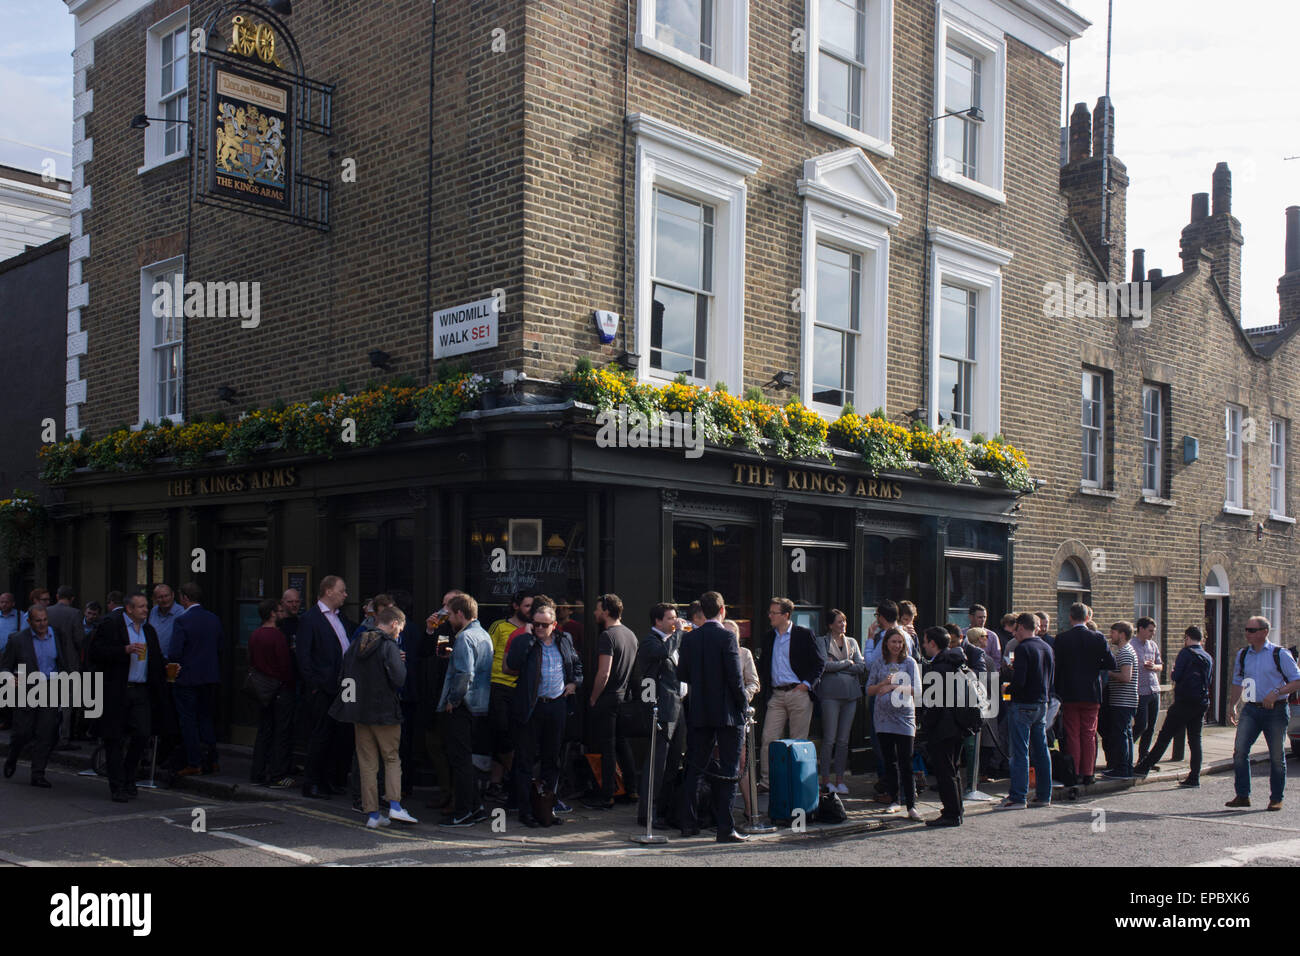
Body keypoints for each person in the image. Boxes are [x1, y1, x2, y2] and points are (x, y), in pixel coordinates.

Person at [330, 606, 417, 828]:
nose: (399, 634)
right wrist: (401, 661)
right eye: (400, 629)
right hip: (385, 713)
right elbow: (399, 679)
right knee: (391, 758)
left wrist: (350, 706)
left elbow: (344, 675)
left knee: (367, 763)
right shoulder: (389, 646)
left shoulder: (356, 644)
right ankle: (396, 806)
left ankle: (372, 815)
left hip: (360, 713)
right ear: (394, 624)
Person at [677, 591, 748, 844]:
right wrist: (744, 705)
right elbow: (735, 677)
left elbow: (682, 673)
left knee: (695, 768)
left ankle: (688, 824)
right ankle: (725, 828)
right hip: (727, 712)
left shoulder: (689, 639)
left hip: (700, 709)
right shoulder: (727, 637)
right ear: (722, 611)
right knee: (729, 770)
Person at [505, 596, 582, 828]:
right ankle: (525, 810)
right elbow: (513, 664)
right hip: (532, 705)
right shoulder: (525, 640)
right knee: (525, 760)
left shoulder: (564, 639)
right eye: (535, 623)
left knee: (552, 759)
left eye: (544, 625)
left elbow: (577, 665)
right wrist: (527, 637)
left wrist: (574, 683)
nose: (539, 628)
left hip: (556, 704)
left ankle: (546, 807)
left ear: (554, 625)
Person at [88, 593, 167, 801]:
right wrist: (124, 649)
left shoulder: (148, 631)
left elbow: (156, 660)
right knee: (114, 739)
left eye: (146, 606)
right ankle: (118, 786)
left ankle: (128, 775)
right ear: (129, 609)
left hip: (140, 690)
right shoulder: (111, 625)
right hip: (117, 690)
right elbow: (95, 652)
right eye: (141, 607)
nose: (145, 610)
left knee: (143, 734)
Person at [1225, 616, 1300, 811]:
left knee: (1276, 756)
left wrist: (1276, 693)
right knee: (1240, 752)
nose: (1247, 633)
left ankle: (1276, 798)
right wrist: (1232, 705)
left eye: (1252, 630)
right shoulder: (1243, 654)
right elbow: (1237, 681)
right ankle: (1242, 795)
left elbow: (1296, 680)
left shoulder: (1279, 654)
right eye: (1246, 629)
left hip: (1276, 711)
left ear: (1264, 632)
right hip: (1250, 709)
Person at [437, 593, 494, 827]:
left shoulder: (464, 638)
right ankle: (477, 807)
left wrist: (453, 699)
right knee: (467, 760)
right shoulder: (483, 635)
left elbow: (465, 675)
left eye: (450, 614)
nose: (448, 619)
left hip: (463, 705)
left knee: (459, 761)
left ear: (460, 613)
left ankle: (462, 813)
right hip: (479, 705)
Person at [757, 596, 825, 792]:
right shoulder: (769, 637)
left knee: (797, 741)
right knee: (768, 738)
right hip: (777, 695)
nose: (770, 616)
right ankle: (766, 782)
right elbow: (763, 665)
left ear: (786, 615)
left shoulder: (804, 634)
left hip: (798, 692)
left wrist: (806, 684)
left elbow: (819, 663)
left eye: (774, 613)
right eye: (769, 612)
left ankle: (796, 781)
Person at [1, 605, 73, 789]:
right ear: (29, 622)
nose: (42, 624)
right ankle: (13, 755)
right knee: (22, 732)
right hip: (27, 689)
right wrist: (10, 677)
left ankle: (38, 773)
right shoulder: (17, 640)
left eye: (44, 620)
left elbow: (64, 660)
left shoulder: (57, 635)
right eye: (38, 621)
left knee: (46, 732)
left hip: (50, 688)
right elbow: (5, 666)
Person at [297, 575, 355, 799]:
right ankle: (311, 783)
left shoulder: (342, 618)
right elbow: (303, 657)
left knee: (338, 737)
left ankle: (329, 780)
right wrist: (315, 686)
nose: (345, 595)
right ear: (328, 591)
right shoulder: (310, 619)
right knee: (320, 737)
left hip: (343, 688)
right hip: (323, 689)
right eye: (342, 590)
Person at [1135, 626, 1213, 786]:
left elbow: (1176, 676)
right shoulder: (1207, 656)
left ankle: (1144, 767)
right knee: (1195, 739)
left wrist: (1172, 672)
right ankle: (1194, 777)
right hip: (1201, 702)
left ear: (1187, 637)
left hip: (1184, 702)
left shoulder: (1186, 653)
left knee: (1164, 736)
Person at [586, 593, 640, 809]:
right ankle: (632, 790)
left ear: (607, 611)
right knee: (622, 743)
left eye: (598, 609)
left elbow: (604, 672)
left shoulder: (607, 636)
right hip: (623, 697)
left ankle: (607, 795)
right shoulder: (630, 635)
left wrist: (593, 696)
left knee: (607, 746)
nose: (595, 612)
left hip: (608, 697)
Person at [1054, 602, 1115, 785]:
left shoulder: (1062, 639)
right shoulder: (1098, 638)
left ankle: (1076, 772)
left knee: (1072, 733)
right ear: (1087, 618)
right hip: (1091, 692)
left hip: (1070, 692)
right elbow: (1111, 663)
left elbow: (1058, 667)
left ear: (1070, 617)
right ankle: (1089, 772)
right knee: (1089, 733)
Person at [865, 627, 922, 820]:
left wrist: (894, 685)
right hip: (883, 718)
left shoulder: (909, 662)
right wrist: (882, 684)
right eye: (893, 642)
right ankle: (894, 800)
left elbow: (917, 689)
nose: (897, 646)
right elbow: (869, 689)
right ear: (886, 644)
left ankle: (911, 805)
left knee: (906, 760)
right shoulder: (879, 663)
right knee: (889, 761)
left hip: (904, 718)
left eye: (900, 642)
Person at [637, 603, 685, 829]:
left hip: (678, 706)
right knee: (658, 761)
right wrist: (681, 633)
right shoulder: (650, 642)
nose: (675, 622)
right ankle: (648, 812)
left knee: (673, 761)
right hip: (662, 708)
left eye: (676, 618)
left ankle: (666, 809)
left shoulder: (674, 642)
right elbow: (663, 653)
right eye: (670, 618)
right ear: (658, 621)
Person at [999, 612, 1054, 809]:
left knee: (1020, 751)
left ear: (1021, 627)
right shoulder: (1046, 646)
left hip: (1022, 704)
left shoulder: (1023, 649)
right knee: (1041, 750)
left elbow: (1019, 680)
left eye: (1015, 629)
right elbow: (1050, 677)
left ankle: (1018, 796)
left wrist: (1008, 689)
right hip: (1042, 702)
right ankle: (1044, 795)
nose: (1014, 633)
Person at [168, 582, 223, 776]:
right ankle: (213, 760)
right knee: (206, 718)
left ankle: (194, 762)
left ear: (184, 598)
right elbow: (219, 646)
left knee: (188, 721)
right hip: (210, 676)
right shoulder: (214, 619)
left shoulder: (182, 621)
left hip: (188, 678)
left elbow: (174, 652)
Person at [919, 626, 969, 826]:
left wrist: (926, 724)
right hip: (959, 723)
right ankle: (957, 809)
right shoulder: (957, 663)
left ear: (932, 643)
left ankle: (951, 813)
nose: (923, 645)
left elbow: (935, 703)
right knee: (953, 769)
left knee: (944, 771)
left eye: (925, 641)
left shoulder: (939, 667)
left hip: (943, 727)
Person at [485, 591, 532, 803]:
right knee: (501, 733)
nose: (530, 610)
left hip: (522, 689)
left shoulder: (534, 629)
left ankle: (497, 782)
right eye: (527, 606)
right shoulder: (499, 626)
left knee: (513, 738)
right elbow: (486, 652)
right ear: (515, 606)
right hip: (499, 685)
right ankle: (518, 777)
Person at [249, 598, 296, 788]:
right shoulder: (277, 636)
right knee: (281, 733)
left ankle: (257, 773)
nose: (282, 613)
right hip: (279, 689)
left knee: (264, 732)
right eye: (279, 610)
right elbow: (285, 666)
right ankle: (278, 775)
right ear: (272, 614)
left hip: (261, 690)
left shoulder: (255, 635)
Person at [817, 609, 864, 795]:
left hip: (850, 695)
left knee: (843, 740)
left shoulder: (852, 642)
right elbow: (823, 665)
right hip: (829, 695)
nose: (843, 625)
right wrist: (847, 664)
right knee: (829, 739)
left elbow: (861, 666)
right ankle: (826, 779)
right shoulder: (822, 641)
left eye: (844, 621)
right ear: (830, 625)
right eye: (839, 622)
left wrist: (838, 668)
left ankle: (840, 779)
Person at [722, 618, 761, 822]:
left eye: (732, 633)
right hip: (718, 713)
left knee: (743, 761)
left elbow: (754, 683)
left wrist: (742, 697)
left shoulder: (744, 654)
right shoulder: (717, 653)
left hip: (739, 712)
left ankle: (750, 808)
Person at [1101, 621, 1138, 779]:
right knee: (1126, 734)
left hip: (1123, 701)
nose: (1111, 636)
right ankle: (1126, 767)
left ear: (1122, 634)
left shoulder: (1125, 653)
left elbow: (1126, 677)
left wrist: (1109, 674)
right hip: (1125, 700)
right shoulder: (1126, 651)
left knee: (1121, 734)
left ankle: (1122, 768)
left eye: (1113, 632)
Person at [1131, 617, 1162, 766]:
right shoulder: (1132, 645)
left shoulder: (1153, 645)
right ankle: (1124, 752)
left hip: (1154, 689)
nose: (1152, 634)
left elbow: (1160, 665)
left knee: (1151, 727)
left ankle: (1143, 758)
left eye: (1153, 631)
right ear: (1141, 629)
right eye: (1150, 631)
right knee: (1140, 725)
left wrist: (1154, 667)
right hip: (1140, 691)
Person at [148, 584, 180, 657]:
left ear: (173, 595)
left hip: (173, 661)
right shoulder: (153, 611)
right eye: (160, 597)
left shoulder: (181, 613)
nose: (164, 600)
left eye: (166, 596)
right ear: (155, 599)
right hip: (155, 659)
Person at [967, 604, 1000, 670]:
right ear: (971, 617)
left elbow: (997, 659)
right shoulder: (963, 634)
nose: (983, 620)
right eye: (980, 617)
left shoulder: (992, 636)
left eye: (984, 617)